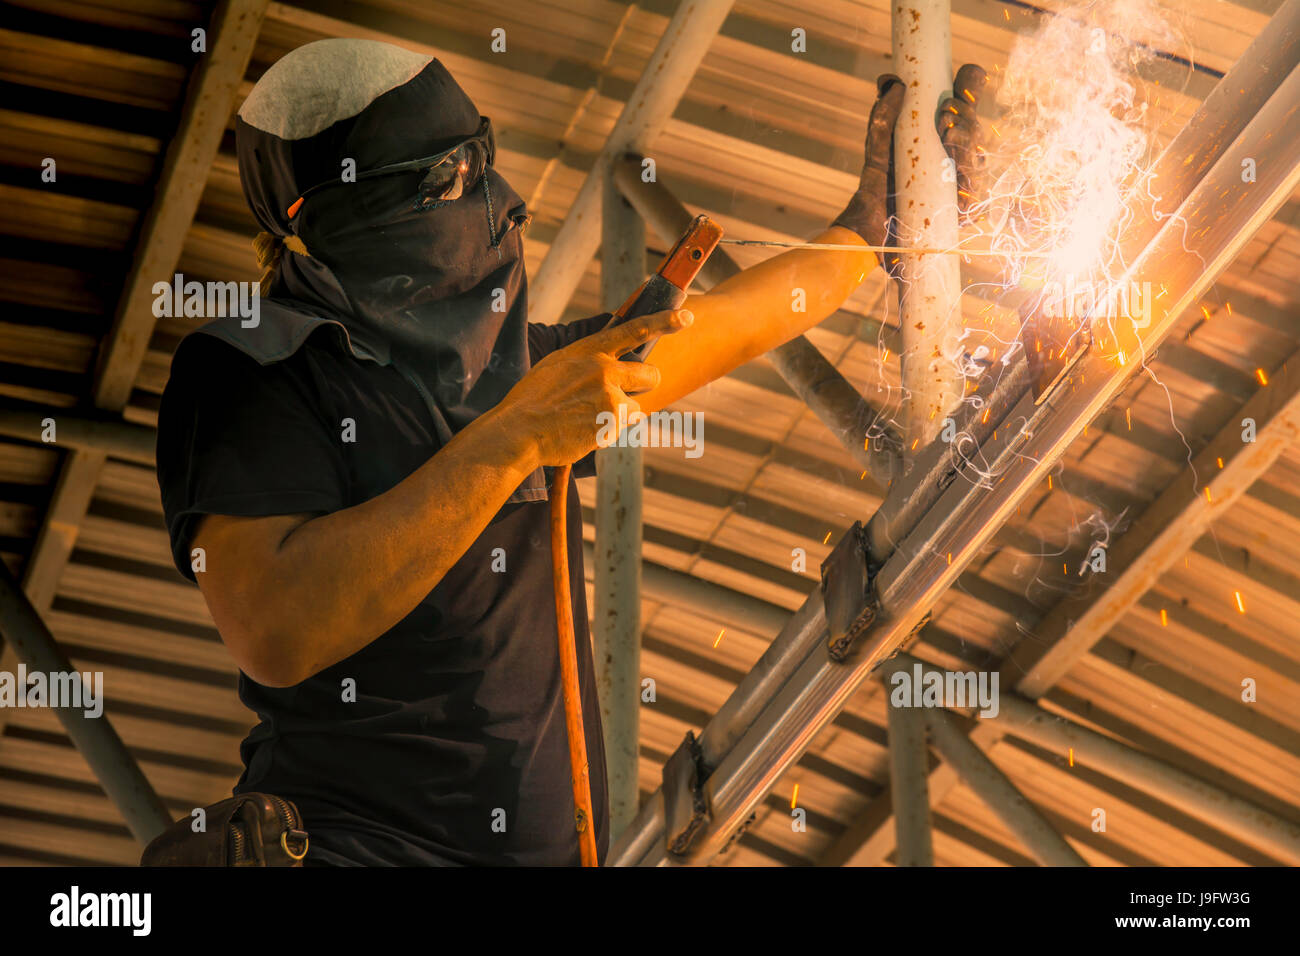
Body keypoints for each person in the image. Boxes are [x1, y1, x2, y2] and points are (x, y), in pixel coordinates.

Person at [155, 38, 985, 866]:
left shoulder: (522, 376)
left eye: (486, 160)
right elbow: (275, 625)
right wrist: (513, 440)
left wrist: (870, 230)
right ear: (337, 217)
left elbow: (730, 324)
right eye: (449, 178)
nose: (506, 205)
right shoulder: (250, 374)